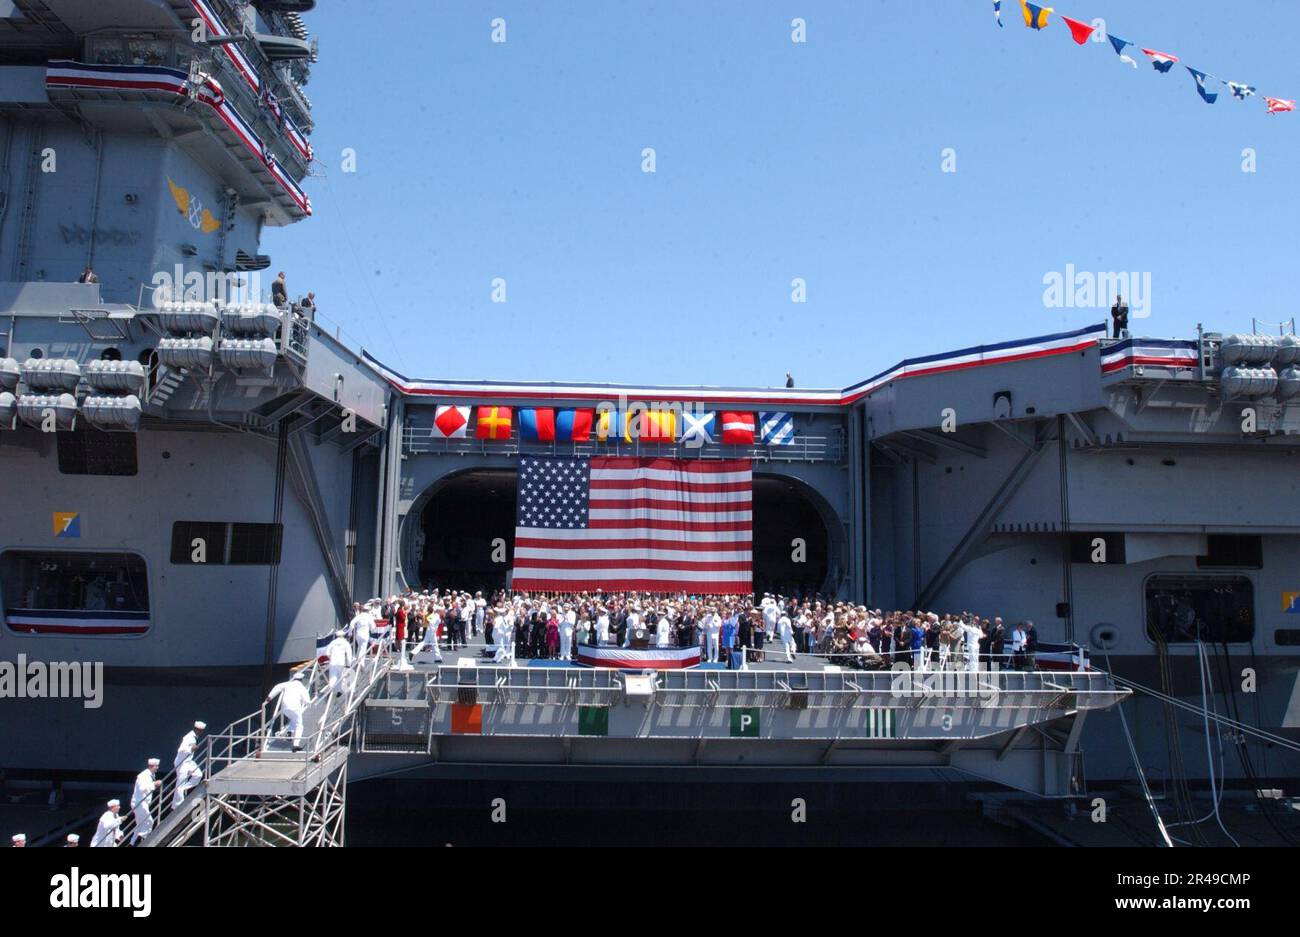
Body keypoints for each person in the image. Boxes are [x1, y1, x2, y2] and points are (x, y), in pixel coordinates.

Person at [267, 671, 312, 752]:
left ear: (294, 678)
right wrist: (309, 704)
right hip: (295, 708)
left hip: (284, 708)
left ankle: (289, 733)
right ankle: (295, 745)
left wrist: (270, 696)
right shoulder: (301, 687)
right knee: (299, 725)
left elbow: (277, 687)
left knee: (293, 720)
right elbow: (306, 699)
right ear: (301, 680)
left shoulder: (287, 684)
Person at [172, 720, 206, 808]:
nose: (200, 732)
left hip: (188, 761)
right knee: (180, 782)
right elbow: (181, 749)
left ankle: (183, 789)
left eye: (201, 730)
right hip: (182, 762)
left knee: (198, 775)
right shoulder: (188, 737)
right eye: (199, 730)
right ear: (196, 729)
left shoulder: (194, 737)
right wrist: (191, 748)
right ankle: (177, 805)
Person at [129, 758, 162, 844]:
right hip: (139, 802)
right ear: (152, 766)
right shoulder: (143, 775)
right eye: (156, 766)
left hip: (143, 803)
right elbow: (142, 788)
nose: (157, 768)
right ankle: (142, 839)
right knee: (149, 821)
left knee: (140, 825)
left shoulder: (150, 775)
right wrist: (154, 784)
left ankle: (132, 843)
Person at [326, 629, 353, 697]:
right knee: (340, 677)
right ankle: (338, 691)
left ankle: (330, 690)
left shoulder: (333, 643)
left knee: (333, 677)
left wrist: (330, 658)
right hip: (341, 663)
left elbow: (327, 653)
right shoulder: (346, 643)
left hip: (333, 662)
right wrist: (349, 664)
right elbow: (349, 655)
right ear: (343, 636)